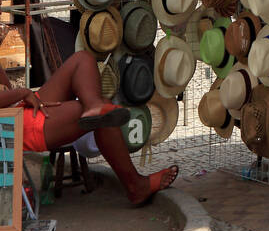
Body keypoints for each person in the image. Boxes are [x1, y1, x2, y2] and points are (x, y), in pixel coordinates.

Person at [0, 52, 178, 206]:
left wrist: (19, 96)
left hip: (16, 108)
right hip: (11, 126)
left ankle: (93, 106)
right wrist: (23, 93)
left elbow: (5, 90)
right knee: (103, 116)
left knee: (83, 60)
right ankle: (135, 186)